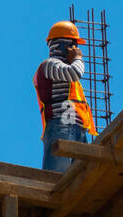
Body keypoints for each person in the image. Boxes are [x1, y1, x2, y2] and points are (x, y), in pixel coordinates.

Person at [34, 21, 97, 173]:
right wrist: (77, 58)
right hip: (61, 126)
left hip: (77, 129)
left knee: (79, 177)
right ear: (64, 45)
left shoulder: (62, 69)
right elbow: (75, 73)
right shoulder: (50, 65)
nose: (77, 49)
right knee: (57, 175)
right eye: (74, 44)